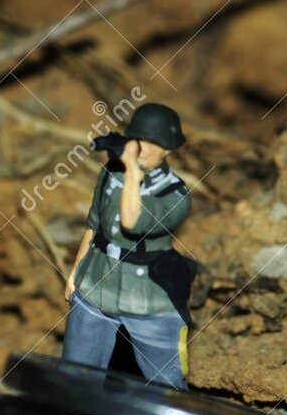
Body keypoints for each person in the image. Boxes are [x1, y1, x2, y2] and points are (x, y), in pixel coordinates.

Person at [61, 102, 195, 389]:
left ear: (169, 149)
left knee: (165, 381)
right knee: (77, 371)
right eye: (139, 140)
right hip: (97, 280)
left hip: (146, 294)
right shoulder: (112, 173)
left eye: (153, 143)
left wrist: (133, 171)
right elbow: (94, 224)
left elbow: (133, 222)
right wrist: (76, 271)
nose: (143, 149)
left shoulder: (175, 194)